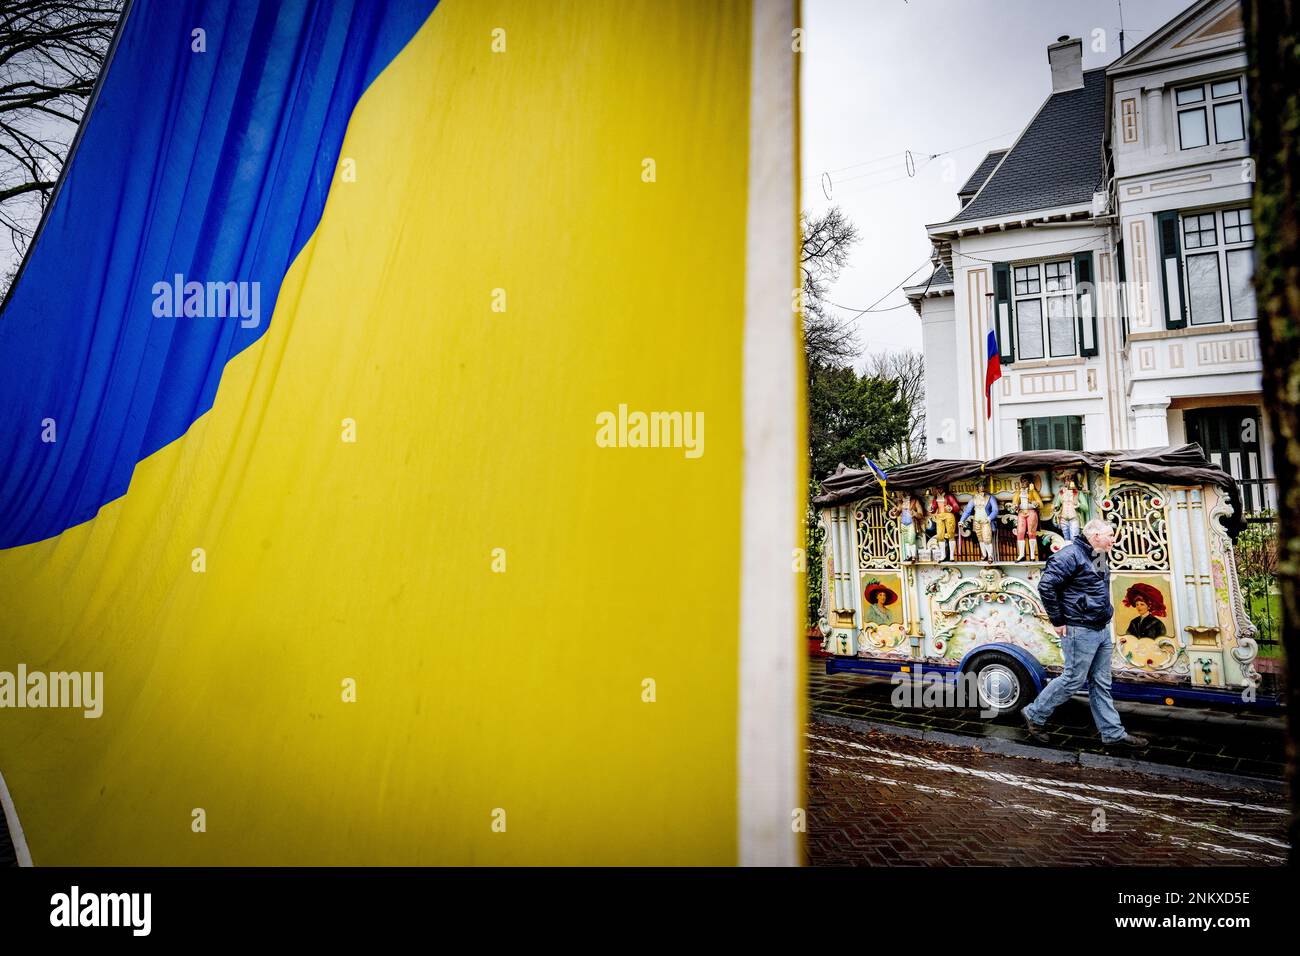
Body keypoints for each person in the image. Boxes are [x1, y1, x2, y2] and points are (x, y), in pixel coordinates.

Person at [1021, 518, 1148, 749]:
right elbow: (1046, 586)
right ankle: (1034, 714)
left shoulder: (1098, 555)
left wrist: (1105, 612)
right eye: (1110, 534)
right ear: (1095, 536)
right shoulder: (1070, 555)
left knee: (1101, 682)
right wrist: (1058, 620)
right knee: (1073, 679)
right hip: (1079, 628)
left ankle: (1112, 733)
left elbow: (1096, 588)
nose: (1113, 539)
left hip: (1099, 628)